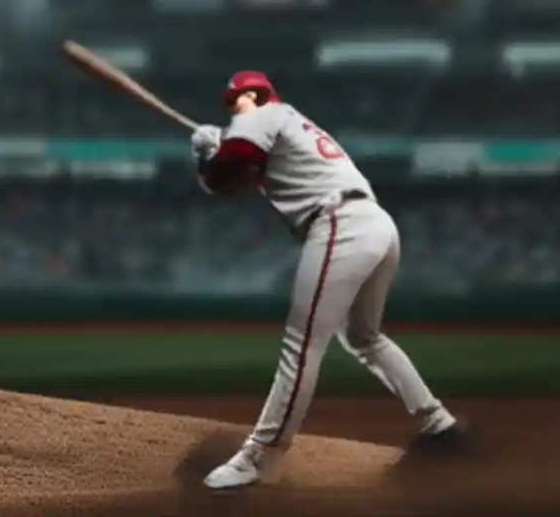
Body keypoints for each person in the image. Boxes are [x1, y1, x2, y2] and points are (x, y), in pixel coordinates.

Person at [192, 70, 462, 489]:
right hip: (377, 224)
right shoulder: (290, 125)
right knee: (363, 337)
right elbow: (230, 179)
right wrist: (210, 158)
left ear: (252, 96)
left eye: (236, 102)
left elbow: (231, 163)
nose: (234, 109)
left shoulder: (262, 114)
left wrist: (216, 151)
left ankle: (258, 457)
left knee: (301, 344)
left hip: (341, 224)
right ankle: (439, 423)